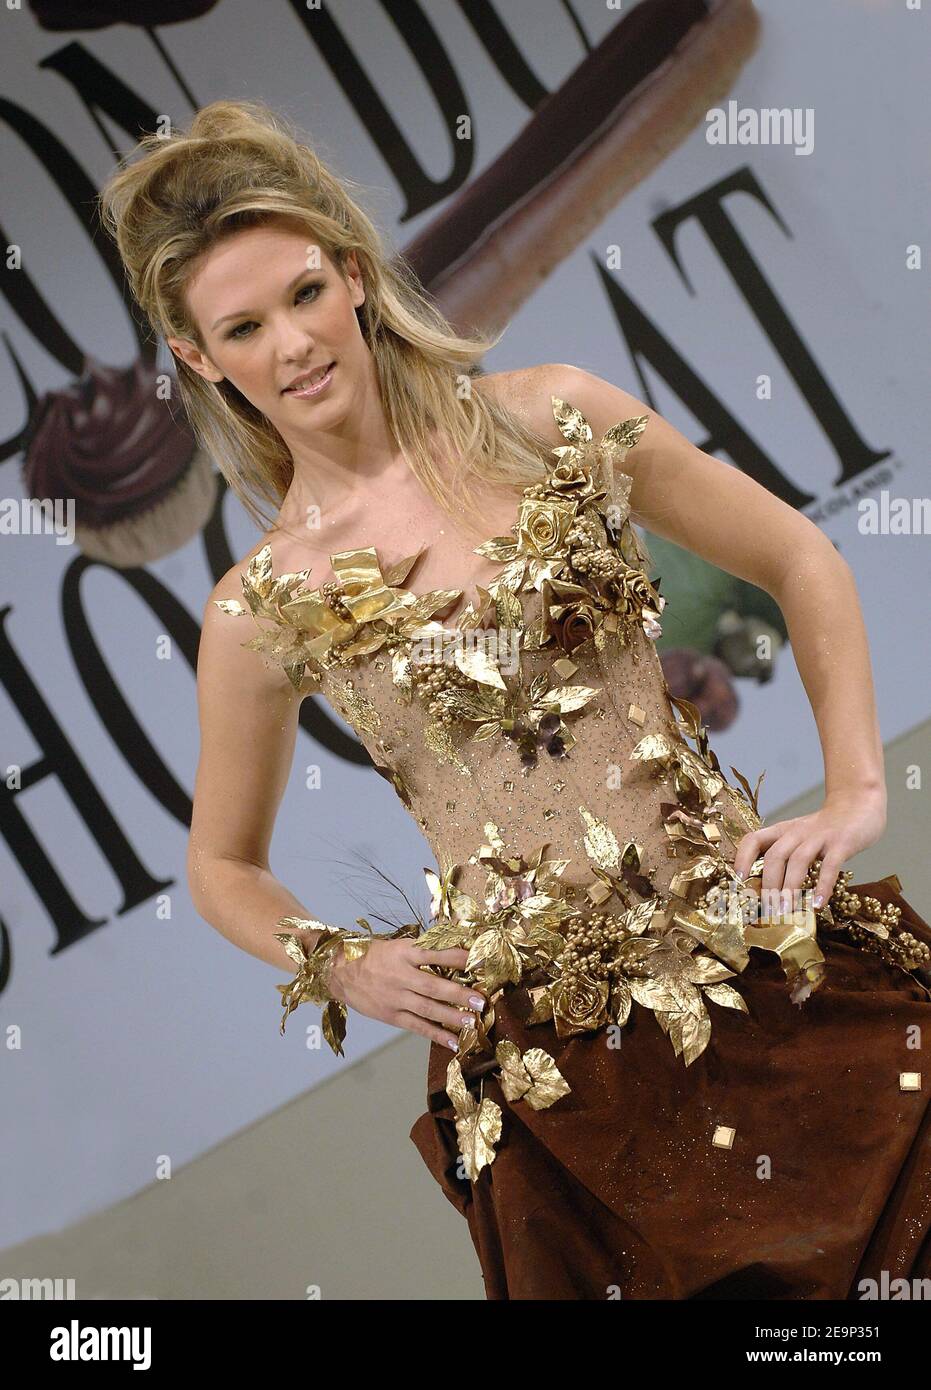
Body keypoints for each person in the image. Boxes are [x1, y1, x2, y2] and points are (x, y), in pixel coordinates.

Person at [98, 99, 931, 1300]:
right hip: (563, 1075)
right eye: (242, 325)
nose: (290, 343)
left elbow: (799, 559)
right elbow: (221, 864)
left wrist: (854, 786)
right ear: (197, 357)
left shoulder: (551, 417)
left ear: (352, 275)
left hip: (765, 968)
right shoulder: (258, 610)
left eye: (303, 294)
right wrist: (339, 962)